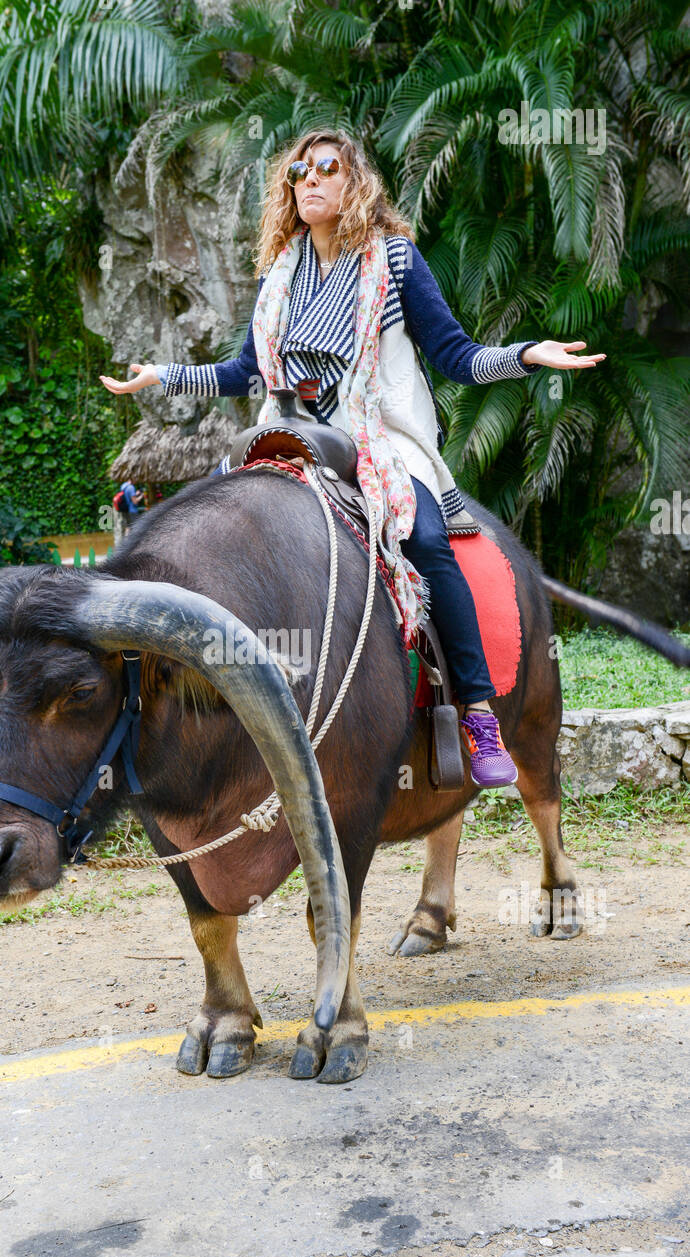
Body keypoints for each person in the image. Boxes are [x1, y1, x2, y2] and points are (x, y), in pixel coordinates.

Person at [99, 129, 604, 788]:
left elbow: (456, 356)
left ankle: (476, 711)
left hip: (378, 443)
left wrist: (527, 355)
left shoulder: (394, 262)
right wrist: (163, 377)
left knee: (426, 541)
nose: (308, 180)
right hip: (285, 439)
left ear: (354, 181)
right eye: (298, 172)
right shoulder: (279, 273)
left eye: (325, 169)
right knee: (204, 530)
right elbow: (247, 371)